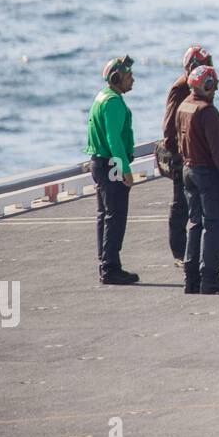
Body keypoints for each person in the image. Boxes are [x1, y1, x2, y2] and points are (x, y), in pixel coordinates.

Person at [163, 45, 219, 266]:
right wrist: (177, 152)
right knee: (183, 206)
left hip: (193, 157)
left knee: (203, 210)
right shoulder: (181, 88)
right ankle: (181, 253)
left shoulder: (201, 89)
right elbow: (170, 126)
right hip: (185, 157)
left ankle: (208, 251)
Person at [175, 64, 219, 294]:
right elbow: (218, 151)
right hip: (208, 174)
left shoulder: (184, 106)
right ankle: (209, 277)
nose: (216, 90)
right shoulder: (208, 112)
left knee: (195, 223)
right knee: (213, 225)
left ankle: (191, 279)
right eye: (214, 85)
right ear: (207, 85)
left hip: (188, 170)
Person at [85, 55, 139, 285]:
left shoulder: (102, 97)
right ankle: (110, 268)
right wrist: (125, 169)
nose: (133, 80)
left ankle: (107, 261)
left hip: (99, 161)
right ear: (117, 78)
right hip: (111, 164)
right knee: (115, 216)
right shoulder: (113, 102)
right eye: (129, 76)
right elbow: (114, 139)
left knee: (105, 215)